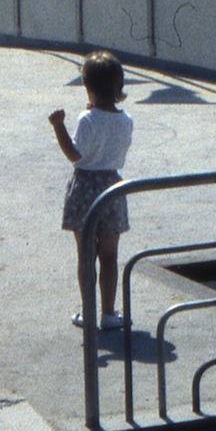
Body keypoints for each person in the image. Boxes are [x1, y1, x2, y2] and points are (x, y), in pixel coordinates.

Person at [48, 50, 134, 330]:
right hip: (112, 187)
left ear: (88, 87)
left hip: (85, 186)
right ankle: (109, 313)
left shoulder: (87, 120)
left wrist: (59, 126)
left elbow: (75, 154)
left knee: (87, 256)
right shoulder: (126, 120)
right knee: (109, 256)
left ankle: (89, 312)